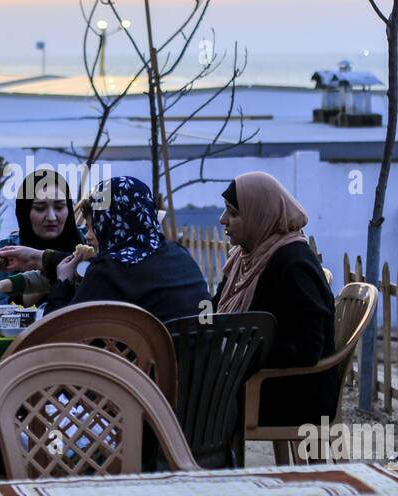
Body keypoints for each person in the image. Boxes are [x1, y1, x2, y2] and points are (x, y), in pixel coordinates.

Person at [216, 171, 337, 429]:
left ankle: (205, 466)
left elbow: (308, 348)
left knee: (197, 402)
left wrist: (242, 353)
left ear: (260, 214)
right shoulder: (244, 259)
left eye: (233, 213)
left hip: (292, 392)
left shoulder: (293, 264)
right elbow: (216, 310)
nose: (223, 220)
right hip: (255, 380)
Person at [44, 175, 208, 323]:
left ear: (110, 225)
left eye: (93, 226)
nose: (88, 236)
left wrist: (63, 282)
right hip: (203, 354)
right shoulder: (179, 254)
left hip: (155, 356)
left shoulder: (109, 271)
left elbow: (55, 334)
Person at [0, 169, 83, 305]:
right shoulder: (7, 251)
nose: (52, 217)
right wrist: (24, 299)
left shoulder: (86, 245)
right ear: (24, 212)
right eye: (40, 208)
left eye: (59, 207)